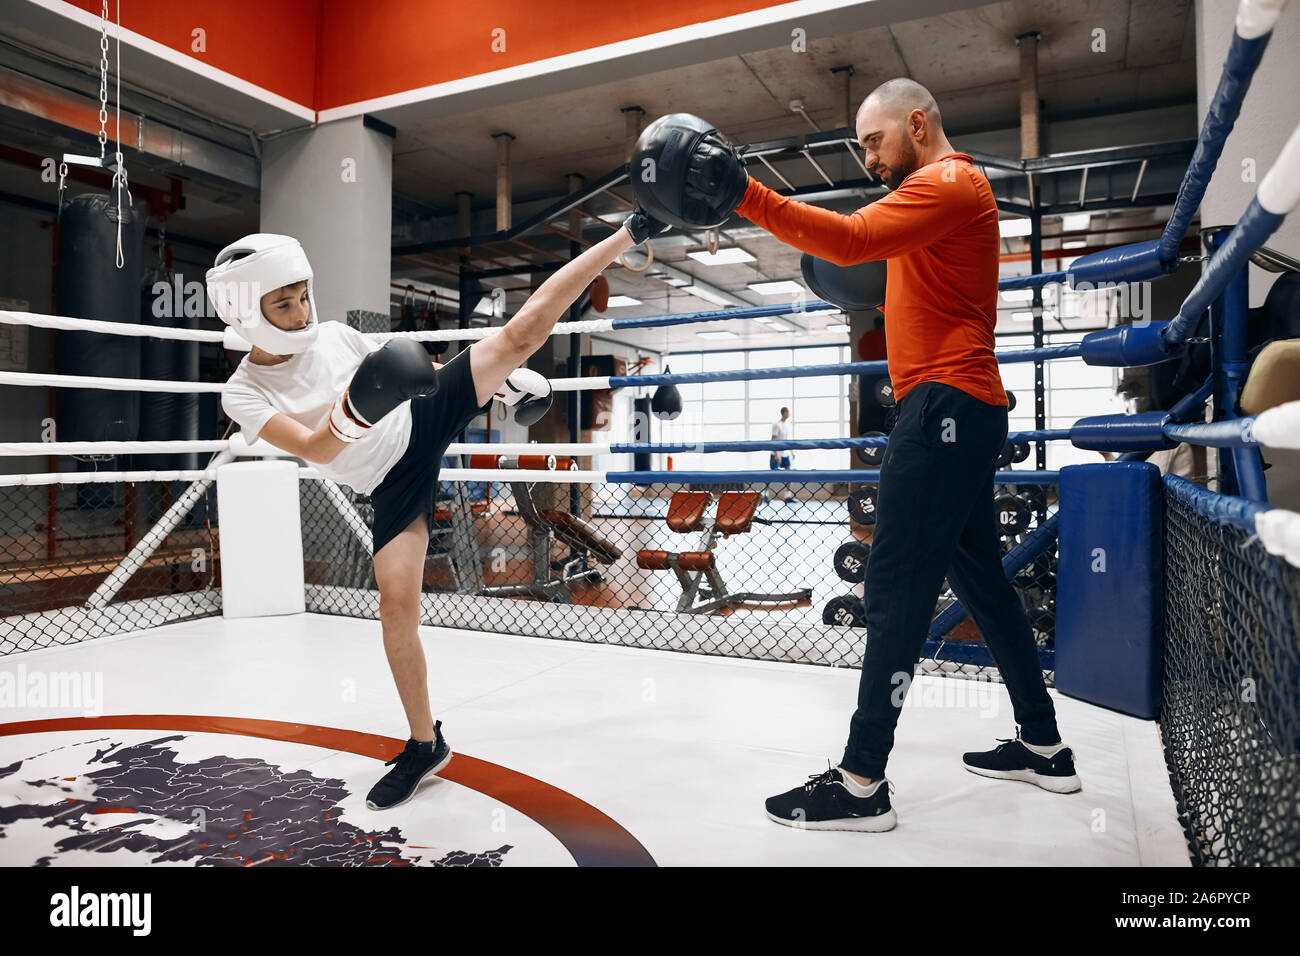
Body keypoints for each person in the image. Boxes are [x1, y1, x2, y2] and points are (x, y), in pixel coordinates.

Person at [633, 80, 1078, 832]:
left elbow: (847, 240)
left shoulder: (947, 179)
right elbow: (853, 257)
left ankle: (862, 783)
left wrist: (743, 191)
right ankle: (1044, 744)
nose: (866, 154)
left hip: (943, 407)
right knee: (984, 587)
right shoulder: (933, 200)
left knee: (895, 586)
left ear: (916, 123)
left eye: (873, 140)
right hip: (956, 410)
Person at [210, 210, 667, 810]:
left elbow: (413, 376)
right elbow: (318, 448)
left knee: (521, 333)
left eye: (303, 296)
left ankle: (625, 234)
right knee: (396, 609)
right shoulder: (243, 393)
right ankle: (426, 745)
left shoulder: (335, 335)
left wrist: (499, 381)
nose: (302, 314)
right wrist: (356, 407)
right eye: (284, 305)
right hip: (388, 481)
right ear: (247, 315)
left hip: (420, 418)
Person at [767, 406, 795, 502]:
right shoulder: (776, 424)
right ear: (784, 413)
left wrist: (792, 452)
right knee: (771, 474)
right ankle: (765, 494)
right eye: (788, 412)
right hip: (776, 453)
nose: (789, 414)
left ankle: (787, 496)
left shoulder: (787, 425)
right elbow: (773, 439)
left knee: (789, 473)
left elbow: (787, 440)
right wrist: (776, 454)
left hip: (785, 453)